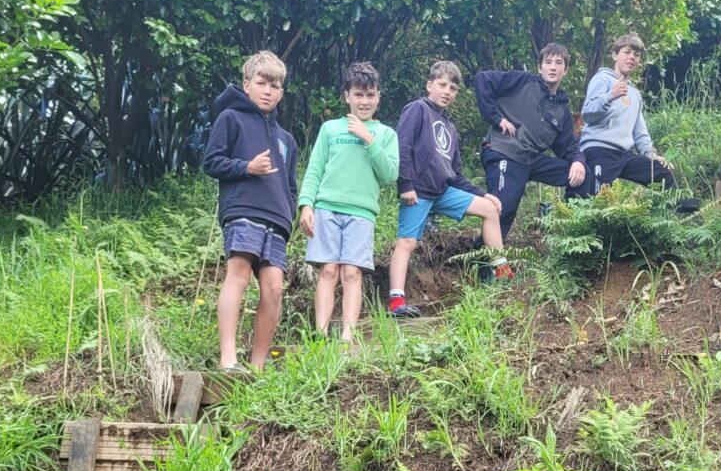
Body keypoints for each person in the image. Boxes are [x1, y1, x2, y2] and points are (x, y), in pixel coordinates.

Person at [203, 50, 298, 372]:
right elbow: (211, 161)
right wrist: (247, 167)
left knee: (273, 288)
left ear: (282, 92)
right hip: (243, 209)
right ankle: (228, 360)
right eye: (261, 82)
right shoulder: (230, 118)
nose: (268, 90)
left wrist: (290, 211)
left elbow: (292, 184)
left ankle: (257, 366)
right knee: (239, 275)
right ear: (247, 85)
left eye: (275, 85)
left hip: (278, 220)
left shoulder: (287, 140)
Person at [388, 60, 504, 318]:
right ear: (430, 85)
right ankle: (396, 301)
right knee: (406, 242)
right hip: (417, 190)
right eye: (442, 84)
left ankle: (503, 273)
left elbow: (456, 175)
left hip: (442, 191)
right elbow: (402, 146)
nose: (447, 91)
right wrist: (405, 184)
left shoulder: (450, 128)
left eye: (453, 88)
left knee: (490, 210)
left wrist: (482, 193)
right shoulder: (418, 109)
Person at [298, 61, 399, 344]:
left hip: (362, 213)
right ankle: (319, 335)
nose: (364, 101)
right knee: (328, 270)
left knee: (352, 272)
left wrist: (369, 139)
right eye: (358, 94)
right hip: (326, 208)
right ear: (347, 96)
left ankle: (347, 337)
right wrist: (306, 204)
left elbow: (390, 175)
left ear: (378, 96)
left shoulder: (386, 134)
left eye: (370, 95)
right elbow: (315, 169)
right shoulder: (330, 129)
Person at [472, 43, 586, 252]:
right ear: (540, 67)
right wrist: (496, 119)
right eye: (548, 62)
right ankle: (483, 259)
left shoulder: (561, 109)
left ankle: (575, 240)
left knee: (580, 175)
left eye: (558, 63)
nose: (552, 67)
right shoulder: (523, 81)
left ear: (565, 70)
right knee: (503, 207)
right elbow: (482, 80)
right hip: (503, 151)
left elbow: (568, 145)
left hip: (531, 160)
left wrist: (578, 161)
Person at [577, 33, 676, 196]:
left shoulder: (635, 94)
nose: (632, 57)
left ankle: (687, 217)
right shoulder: (602, 79)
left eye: (636, 55)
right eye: (627, 52)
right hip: (599, 150)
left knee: (661, 172)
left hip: (624, 154)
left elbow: (640, 131)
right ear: (615, 55)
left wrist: (651, 155)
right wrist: (610, 96)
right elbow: (587, 114)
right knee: (596, 198)